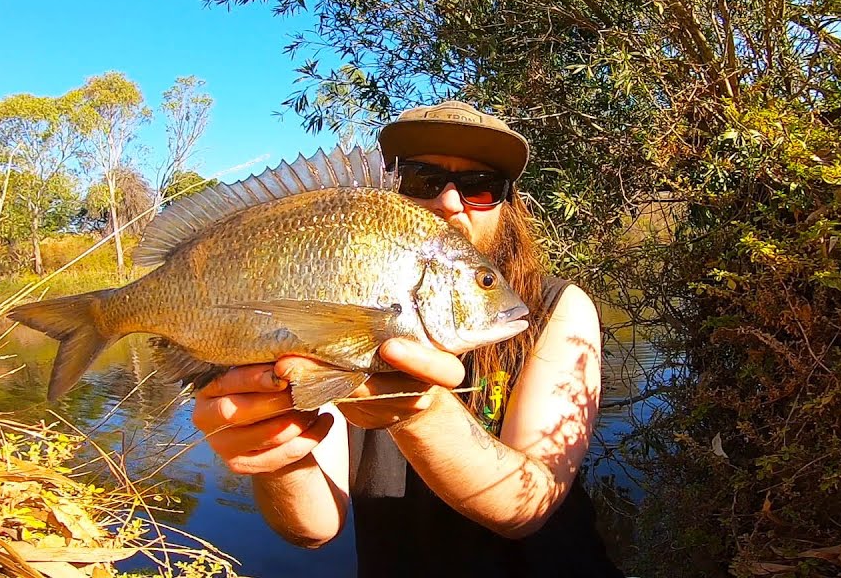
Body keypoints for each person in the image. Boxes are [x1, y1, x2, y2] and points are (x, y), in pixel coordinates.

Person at [192, 100, 624, 577]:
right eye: (422, 179)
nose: (450, 202)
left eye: (482, 187)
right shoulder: (345, 303)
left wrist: (419, 411)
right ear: (390, 188)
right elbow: (313, 527)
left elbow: (528, 507)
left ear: (507, 206)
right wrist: (276, 455)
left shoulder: (553, 311)